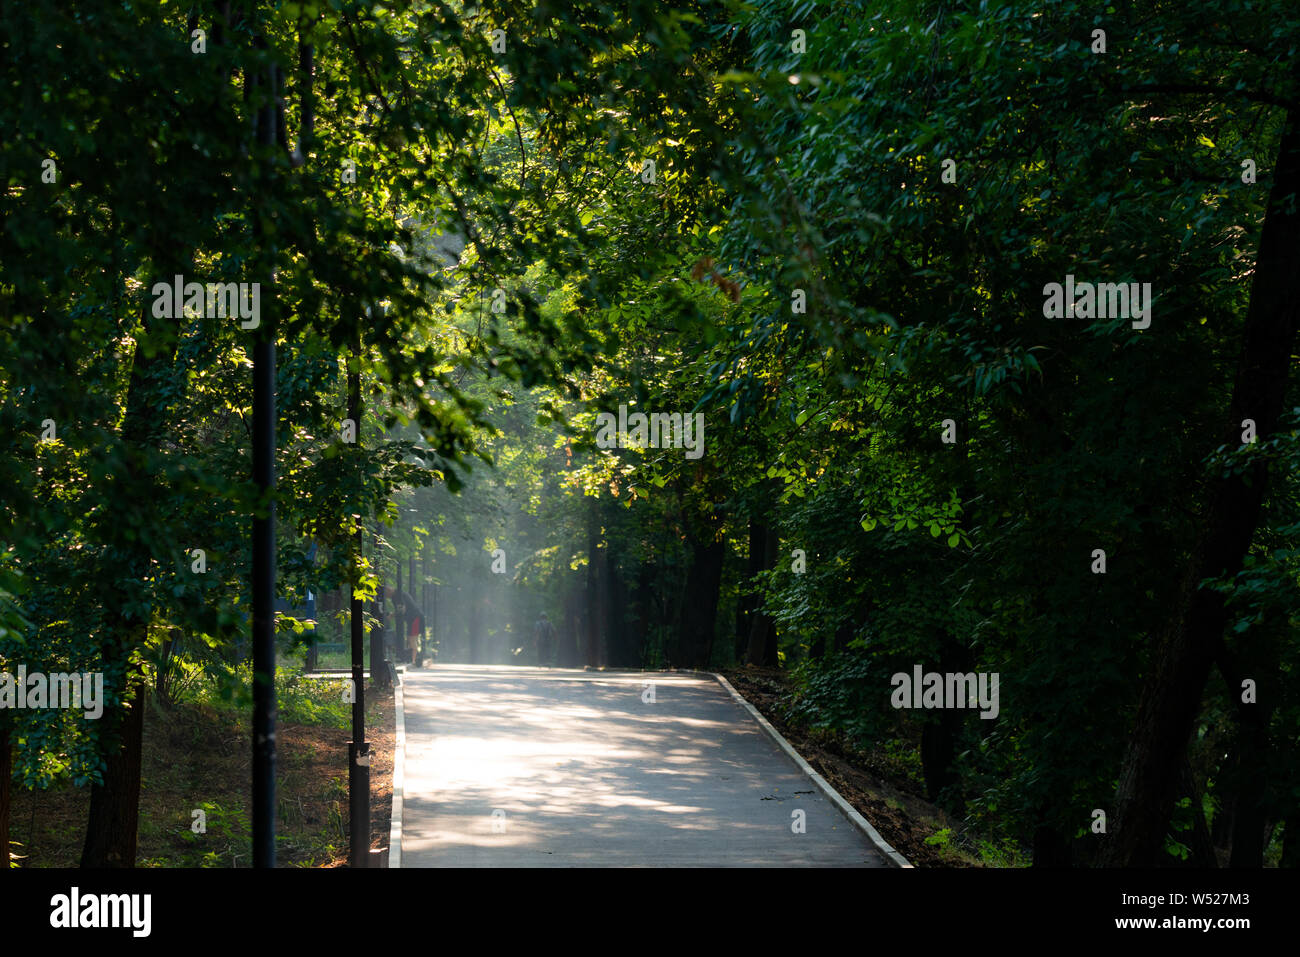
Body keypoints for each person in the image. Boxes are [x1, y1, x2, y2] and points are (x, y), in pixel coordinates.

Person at [385, 586, 426, 667]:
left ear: (389, 590)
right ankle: (413, 660)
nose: (386, 596)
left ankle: (414, 661)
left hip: (415, 618)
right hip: (413, 619)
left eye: (386, 594)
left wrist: (392, 615)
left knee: (412, 639)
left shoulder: (399, 596)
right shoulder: (396, 596)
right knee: (411, 639)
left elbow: (402, 609)